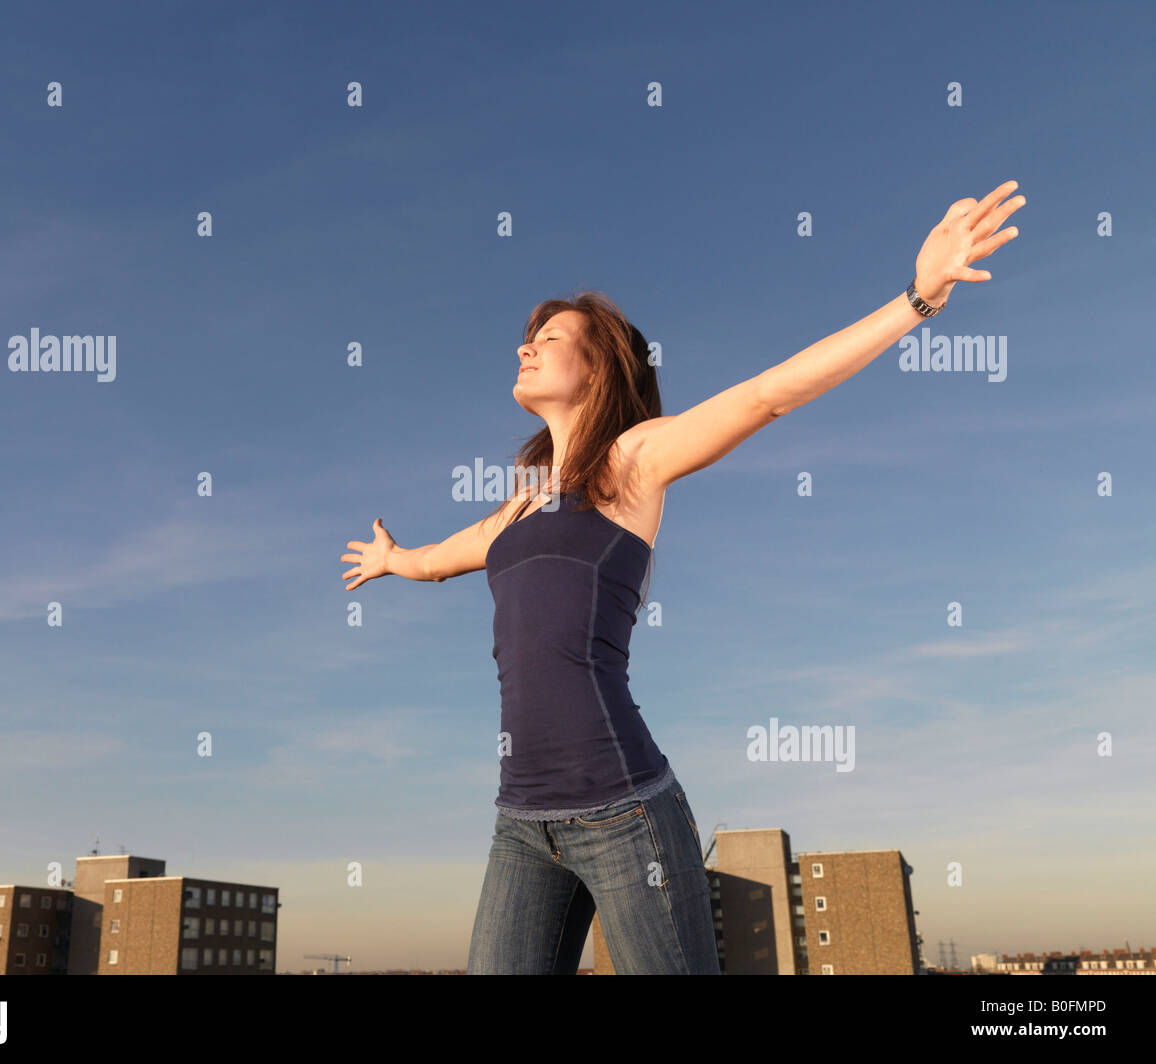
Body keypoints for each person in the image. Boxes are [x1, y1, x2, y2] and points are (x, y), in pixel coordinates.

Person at [341, 181, 1024, 973]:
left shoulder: (633, 462)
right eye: (526, 338)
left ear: (598, 368)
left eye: (551, 337)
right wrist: (394, 560)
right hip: (521, 825)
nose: (525, 346)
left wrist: (917, 298)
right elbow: (439, 562)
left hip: (626, 813)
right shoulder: (518, 509)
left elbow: (768, 396)